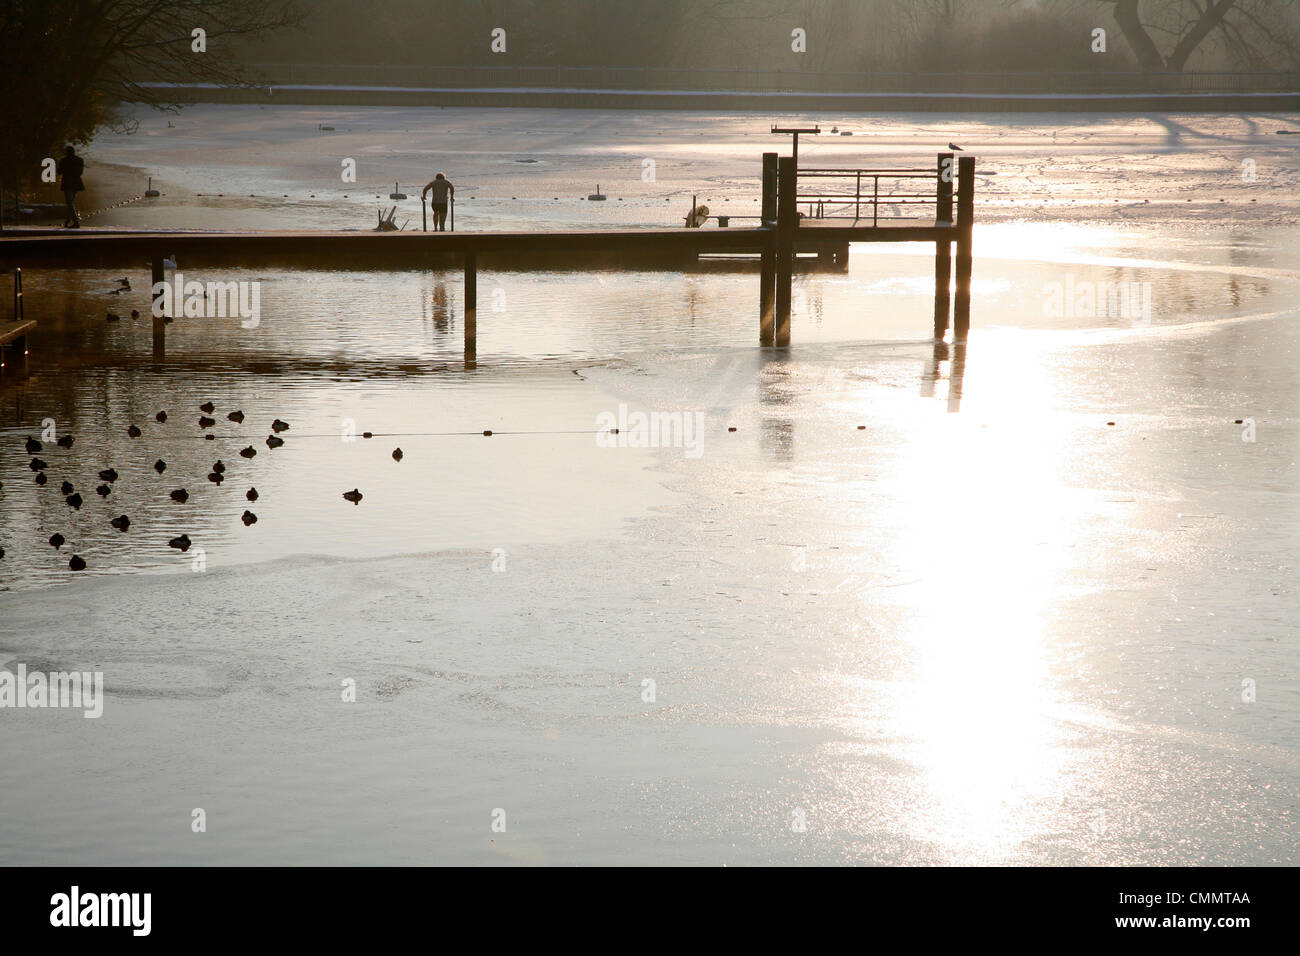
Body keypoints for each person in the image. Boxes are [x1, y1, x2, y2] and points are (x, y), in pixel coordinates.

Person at [56, 145, 85, 228]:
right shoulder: (80, 160)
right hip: (77, 183)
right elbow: (80, 172)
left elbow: (59, 172)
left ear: (66, 152)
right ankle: (67, 221)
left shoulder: (64, 160)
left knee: (70, 203)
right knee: (71, 203)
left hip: (68, 183)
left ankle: (76, 223)